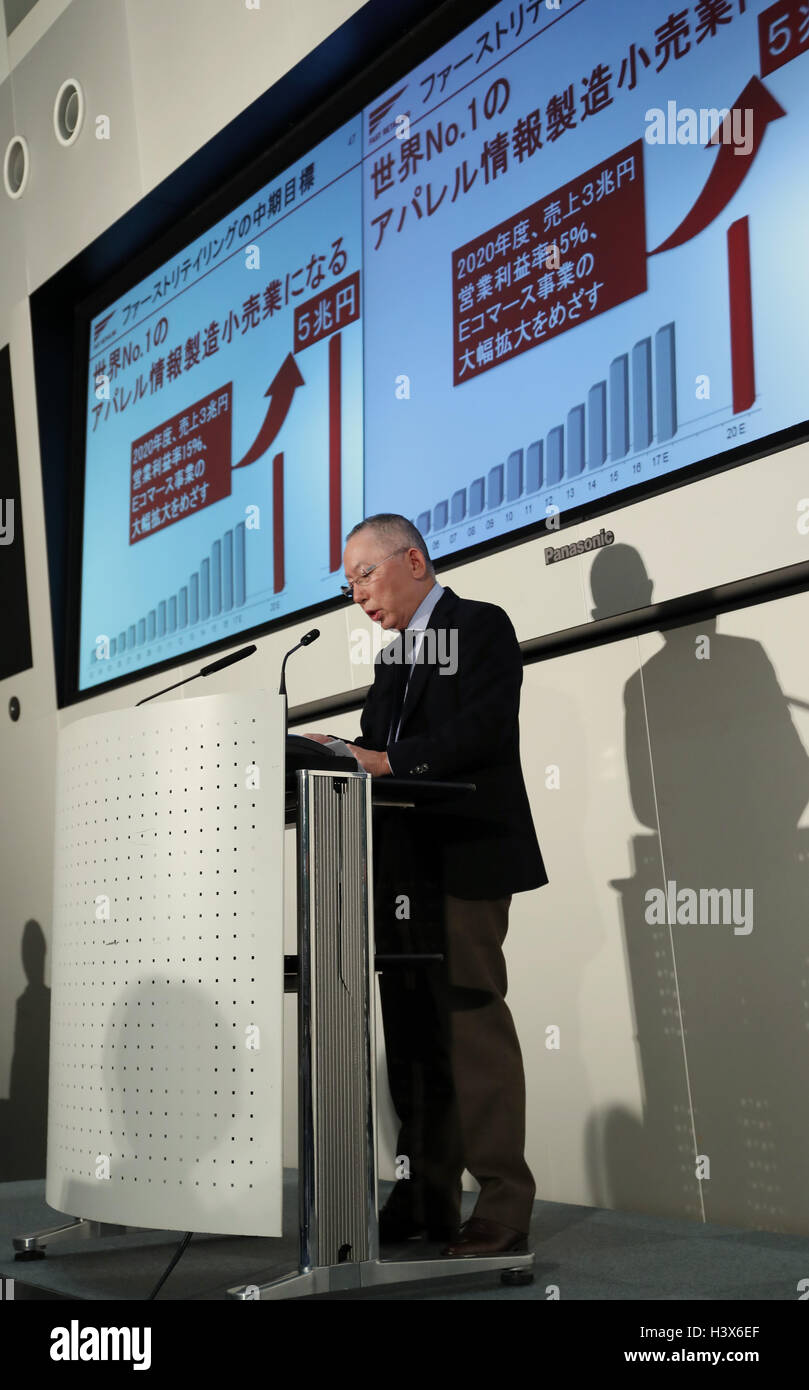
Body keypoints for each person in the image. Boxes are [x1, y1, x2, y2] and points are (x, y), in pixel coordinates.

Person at [305, 513, 548, 1257]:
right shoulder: (391, 662)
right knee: (410, 1034)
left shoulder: (480, 626)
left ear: (412, 560)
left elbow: (480, 732)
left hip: (465, 859)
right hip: (400, 867)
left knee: (469, 1026)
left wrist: (381, 761)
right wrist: (338, 752)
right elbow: (379, 751)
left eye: (364, 575)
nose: (356, 596)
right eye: (347, 584)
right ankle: (425, 1194)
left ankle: (502, 1205)